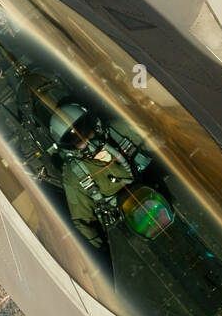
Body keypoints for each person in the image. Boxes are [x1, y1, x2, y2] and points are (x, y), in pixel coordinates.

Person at [49, 103, 152, 248]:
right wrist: (104, 249)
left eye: (85, 131)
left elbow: (155, 142)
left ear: (92, 124)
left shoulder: (117, 132)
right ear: (69, 147)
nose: (86, 140)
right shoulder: (74, 174)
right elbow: (82, 221)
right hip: (129, 222)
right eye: (77, 140)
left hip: (151, 190)